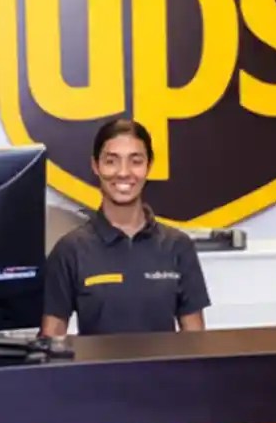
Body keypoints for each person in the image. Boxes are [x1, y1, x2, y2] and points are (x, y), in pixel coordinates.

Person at [40, 119, 211, 337]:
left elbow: (195, 339)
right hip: (95, 363)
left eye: (135, 161)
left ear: (148, 166)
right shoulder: (70, 250)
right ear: (95, 166)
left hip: (165, 363)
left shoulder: (178, 246)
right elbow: (51, 338)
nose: (123, 172)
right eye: (111, 161)